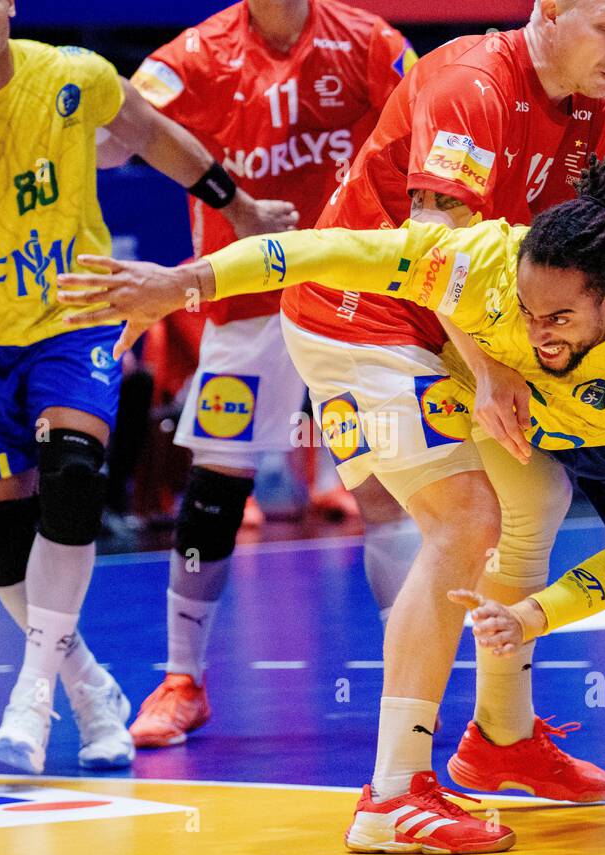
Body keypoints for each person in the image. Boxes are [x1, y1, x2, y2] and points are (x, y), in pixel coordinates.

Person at [58, 150, 605, 855]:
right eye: (526, 309)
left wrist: (538, 616)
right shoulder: (478, 262)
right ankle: (488, 743)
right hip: (518, 414)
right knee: (486, 517)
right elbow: (318, 250)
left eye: (558, 318)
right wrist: (185, 283)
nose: (536, 329)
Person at [0, 0, 296, 774]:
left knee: (74, 479)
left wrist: (240, 207)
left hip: (74, 314)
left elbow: (156, 135)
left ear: (6, 4)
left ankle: (32, 695)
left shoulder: (72, 76)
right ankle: (88, 689)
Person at [124, 0, 419, 748]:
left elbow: (426, 123)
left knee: (384, 487)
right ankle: (182, 680)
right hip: (243, 302)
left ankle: (413, 676)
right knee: (216, 487)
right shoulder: (198, 51)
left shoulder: (368, 40)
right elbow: (117, 131)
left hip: (350, 298)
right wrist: (84, 113)